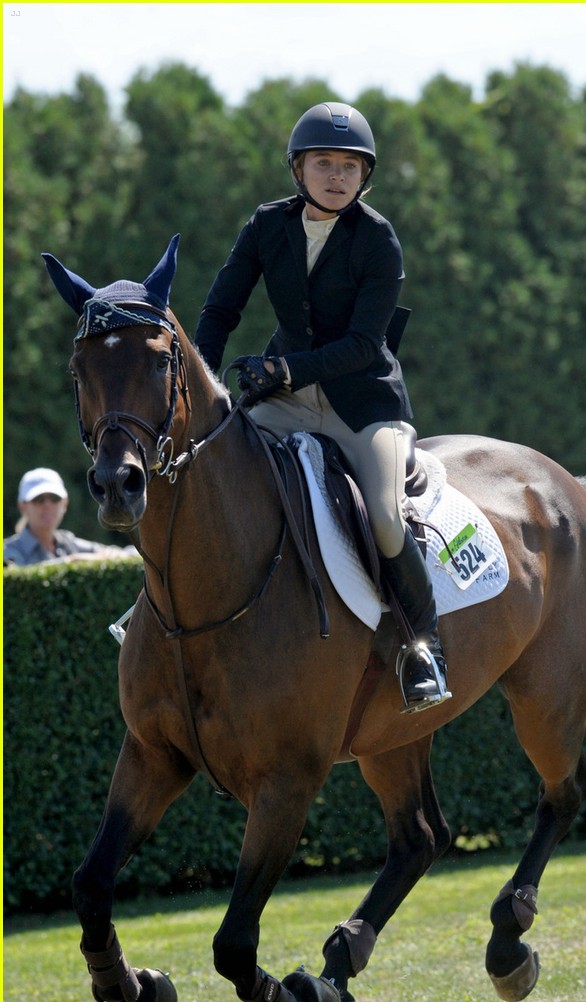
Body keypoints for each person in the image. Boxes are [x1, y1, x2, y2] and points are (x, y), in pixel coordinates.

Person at [194, 101, 450, 712]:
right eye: (323, 163)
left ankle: (424, 648)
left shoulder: (378, 239)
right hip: (287, 399)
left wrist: (284, 369)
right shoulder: (267, 225)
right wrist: (204, 382)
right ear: (298, 169)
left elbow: (363, 344)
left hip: (364, 403)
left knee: (385, 517)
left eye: (349, 166)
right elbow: (221, 309)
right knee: (212, 467)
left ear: (365, 176)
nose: (337, 176)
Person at [4, 467, 134, 566]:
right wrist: (72, 562)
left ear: (64, 504)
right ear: (23, 507)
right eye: (39, 499)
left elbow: (128, 553)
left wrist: (113, 555)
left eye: (54, 498)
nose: (47, 505)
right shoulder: (6, 551)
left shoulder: (67, 542)